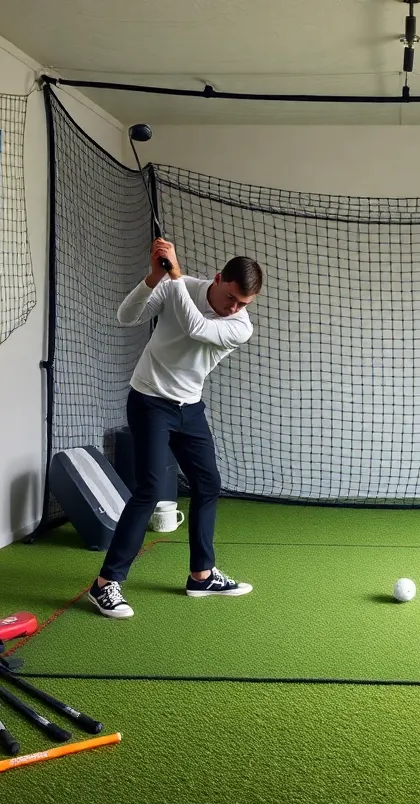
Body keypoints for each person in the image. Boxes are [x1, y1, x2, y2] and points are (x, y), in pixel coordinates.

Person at [87, 238, 262, 618]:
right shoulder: (179, 286)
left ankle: (201, 574)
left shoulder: (239, 326)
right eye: (232, 298)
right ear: (218, 279)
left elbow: (196, 327)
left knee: (208, 483)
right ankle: (105, 584)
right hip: (150, 399)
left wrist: (175, 277)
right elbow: (126, 316)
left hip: (190, 408)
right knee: (149, 488)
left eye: (243, 304)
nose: (234, 308)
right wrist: (153, 279)